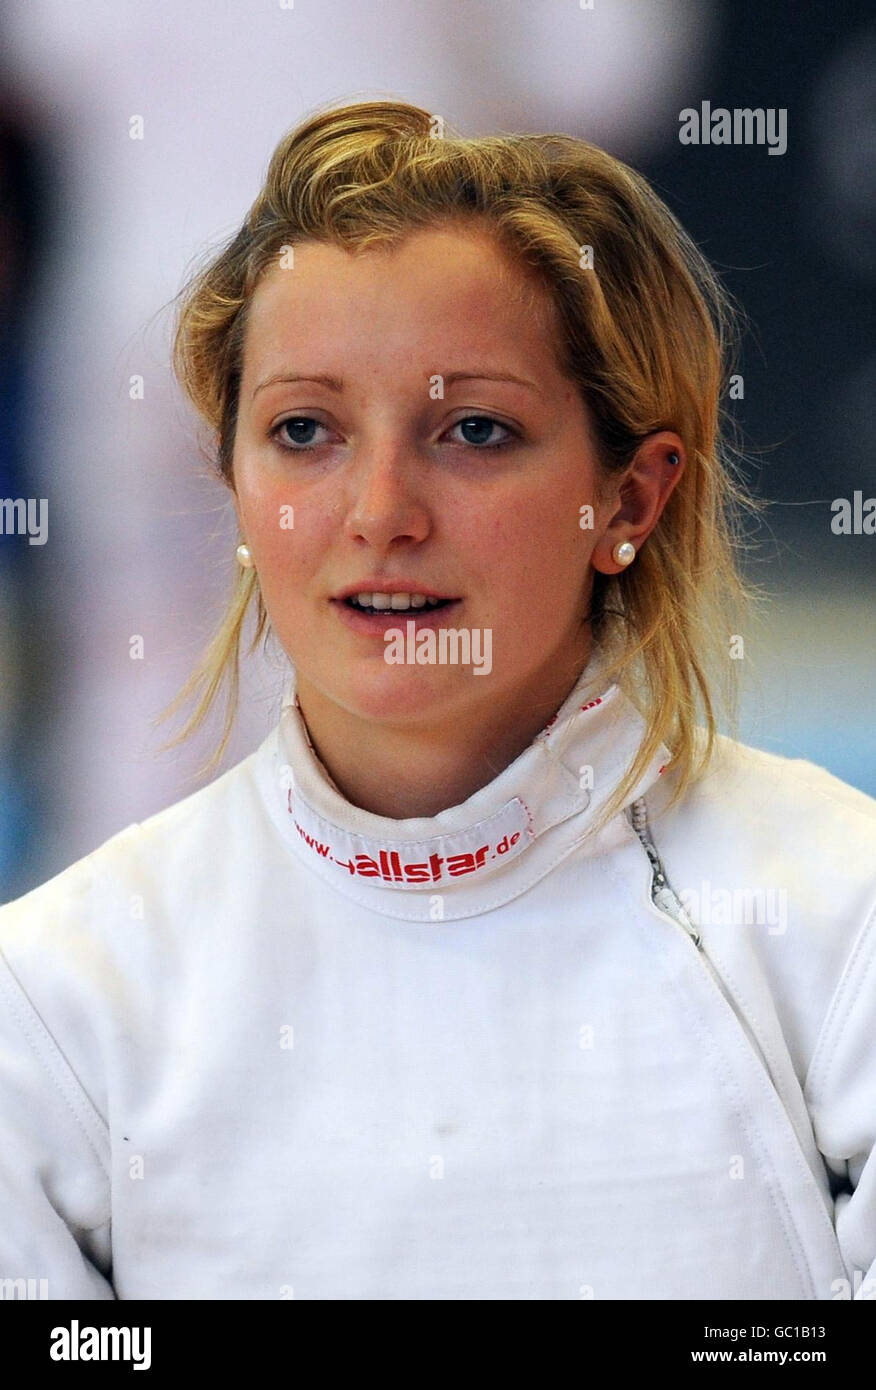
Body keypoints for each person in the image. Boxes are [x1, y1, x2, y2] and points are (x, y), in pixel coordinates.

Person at [1, 98, 874, 1302]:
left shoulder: (839, 923)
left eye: (474, 428)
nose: (379, 512)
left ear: (629, 499)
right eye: (303, 429)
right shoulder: (55, 998)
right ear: (234, 484)